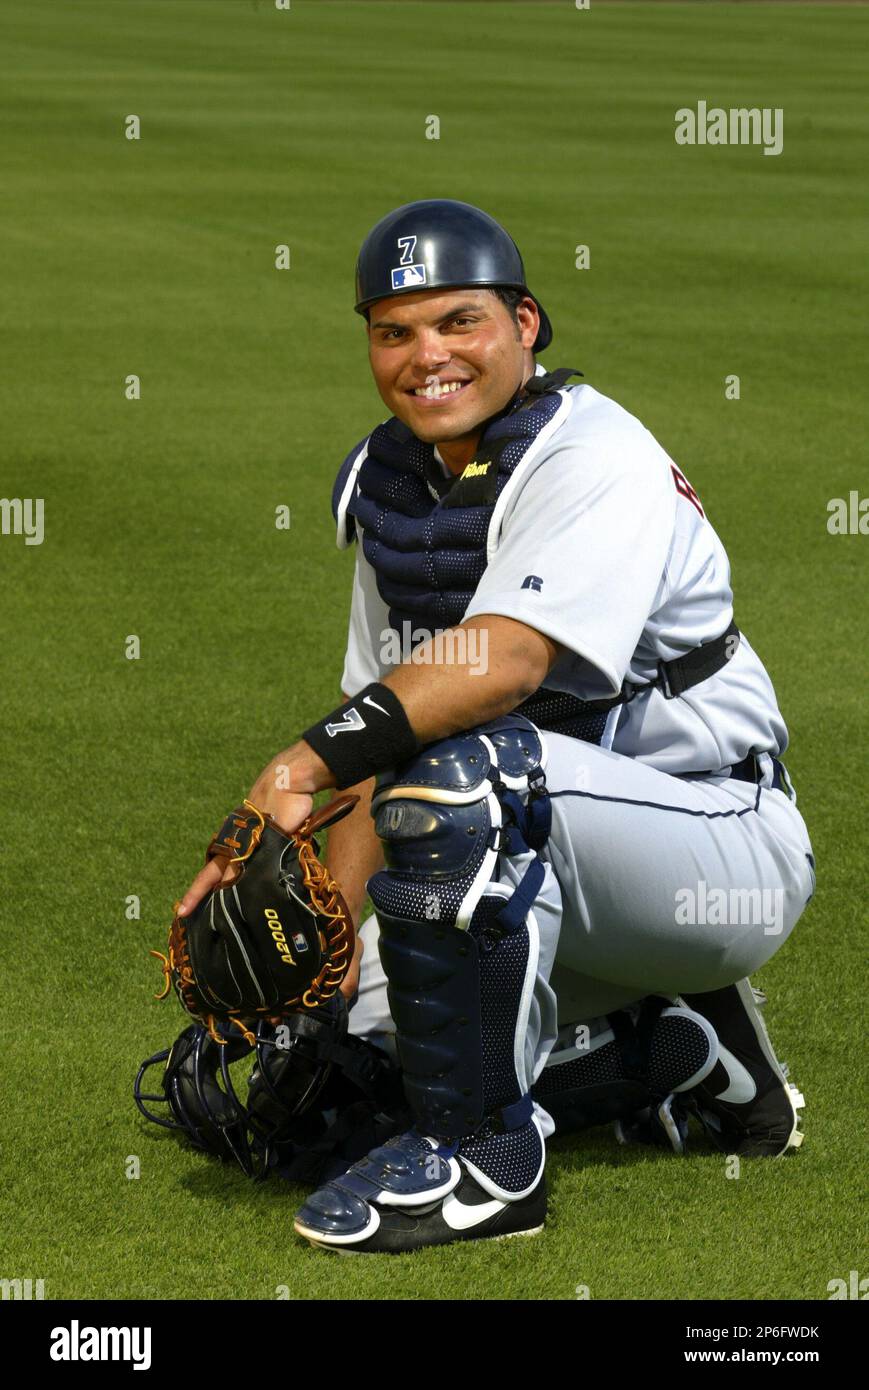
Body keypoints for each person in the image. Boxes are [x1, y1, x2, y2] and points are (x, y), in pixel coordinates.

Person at [177, 199, 815, 1254]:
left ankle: (485, 1161)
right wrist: (323, 986)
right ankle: (675, 1049)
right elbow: (387, 730)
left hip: (715, 840)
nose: (425, 356)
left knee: (461, 780)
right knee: (365, 1076)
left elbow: (502, 662)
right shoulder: (395, 488)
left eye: (457, 322)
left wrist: (296, 761)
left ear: (526, 324)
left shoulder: (591, 453)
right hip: (553, 860)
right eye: (394, 331)